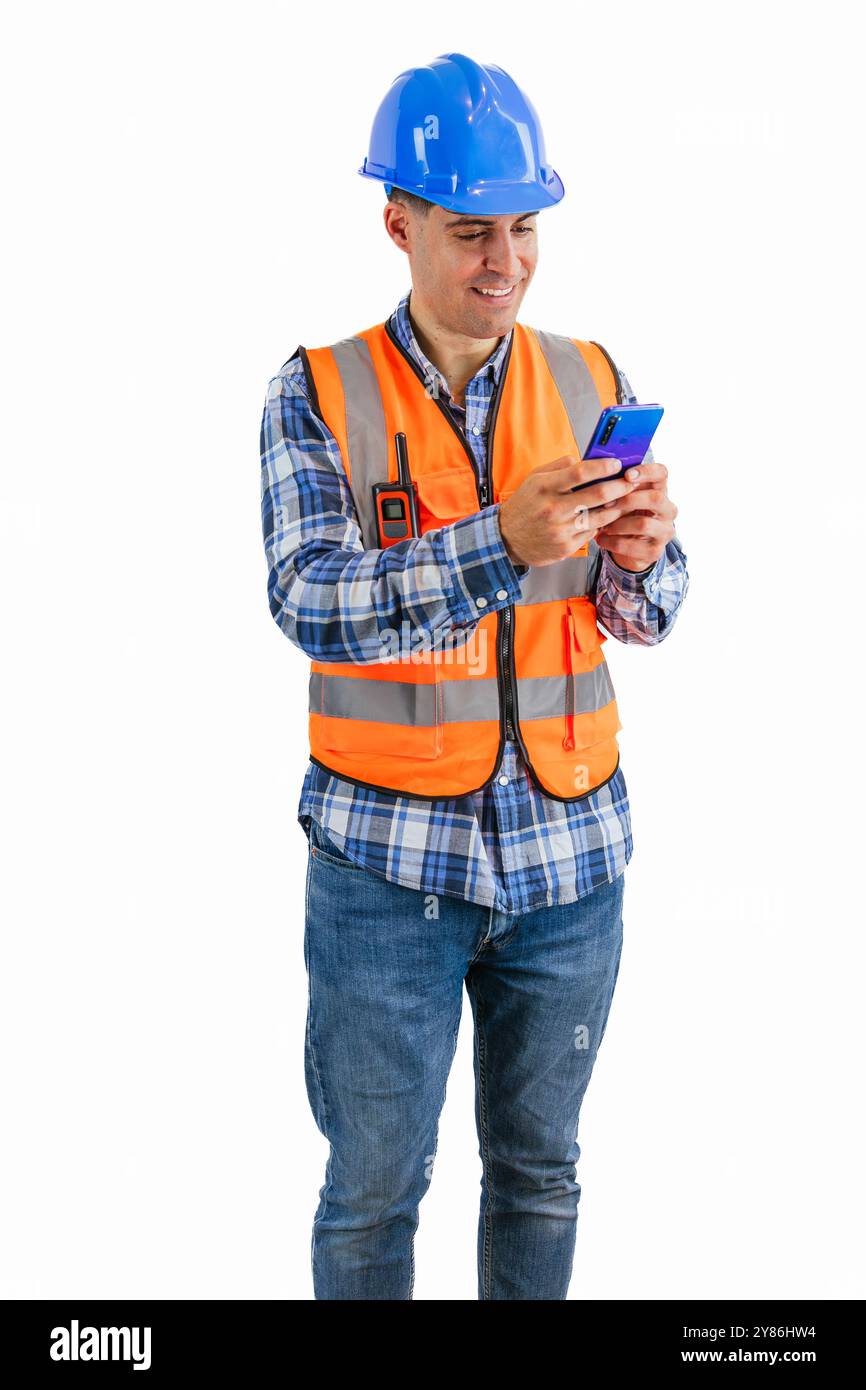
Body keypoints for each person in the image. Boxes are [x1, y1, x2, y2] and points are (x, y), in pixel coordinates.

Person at [260, 52, 689, 1300]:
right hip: (385, 875)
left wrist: (641, 560)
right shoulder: (316, 394)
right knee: (372, 1192)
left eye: (522, 228)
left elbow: (648, 617)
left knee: (541, 1174)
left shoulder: (589, 377)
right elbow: (309, 599)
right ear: (396, 224)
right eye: (467, 232)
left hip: (567, 868)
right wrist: (498, 540)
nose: (501, 261)